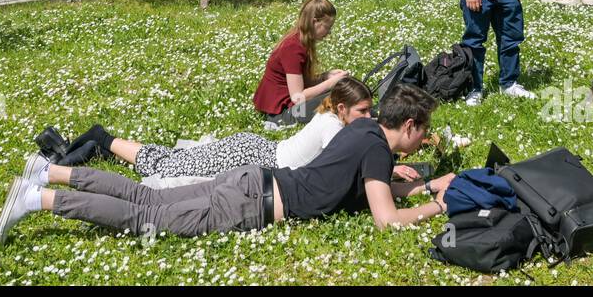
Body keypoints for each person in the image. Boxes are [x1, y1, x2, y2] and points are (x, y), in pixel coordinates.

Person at [0, 83, 451, 245]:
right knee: (145, 217)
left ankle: (47, 172)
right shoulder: (377, 149)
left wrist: (429, 187)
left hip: (253, 178)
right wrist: (439, 206)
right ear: (409, 125)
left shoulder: (362, 131)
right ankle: (38, 199)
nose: (423, 140)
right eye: (423, 131)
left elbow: (377, 190)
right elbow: (386, 220)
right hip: (253, 201)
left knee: (145, 195)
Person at [53, 77, 377, 186]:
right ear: (341, 109)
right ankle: (103, 139)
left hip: (255, 150)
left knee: (176, 159)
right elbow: (349, 165)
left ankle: (103, 142)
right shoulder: (333, 128)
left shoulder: (330, 120)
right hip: (252, 155)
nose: (368, 117)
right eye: (363, 111)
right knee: (168, 168)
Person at [253, 0, 349, 127]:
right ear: (314, 21)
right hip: (282, 115)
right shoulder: (293, 47)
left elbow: (301, 81)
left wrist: (325, 77)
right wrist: (331, 83)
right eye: (327, 27)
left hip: (288, 107)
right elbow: (298, 97)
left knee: (344, 91)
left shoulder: (300, 40)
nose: (329, 32)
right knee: (341, 95)